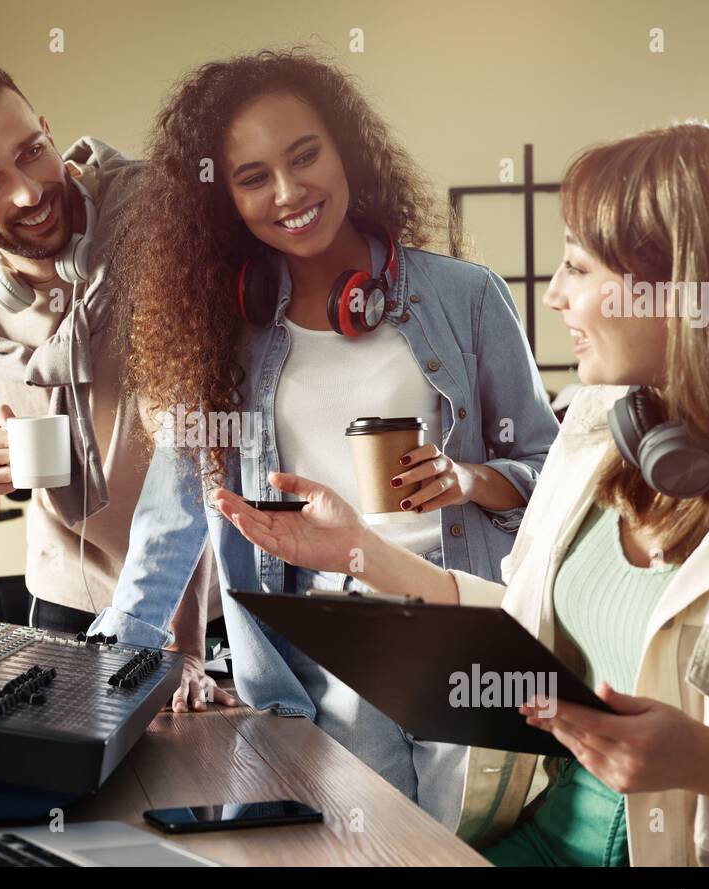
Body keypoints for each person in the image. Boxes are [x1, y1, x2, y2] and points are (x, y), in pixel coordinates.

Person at [215, 121, 709, 866]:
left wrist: (704, 761)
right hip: (546, 840)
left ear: (686, 290)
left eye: (579, 270)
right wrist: (359, 551)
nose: (553, 296)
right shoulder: (598, 432)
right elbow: (525, 635)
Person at [88, 51, 559, 828]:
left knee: (458, 847)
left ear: (346, 149)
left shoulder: (466, 297)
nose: (289, 192)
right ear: (224, 201)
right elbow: (169, 527)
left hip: (458, 625)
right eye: (253, 177)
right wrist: (101, 671)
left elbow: (549, 471)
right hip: (317, 653)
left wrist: (470, 479)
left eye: (305, 156)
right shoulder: (214, 339)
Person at [0, 59, 235, 711]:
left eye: (31, 152)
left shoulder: (164, 219)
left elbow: (199, 446)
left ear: (50, 133)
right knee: (80, 801)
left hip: (209, 594)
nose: (28, 191)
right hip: (68, 599)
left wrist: (182, 639)